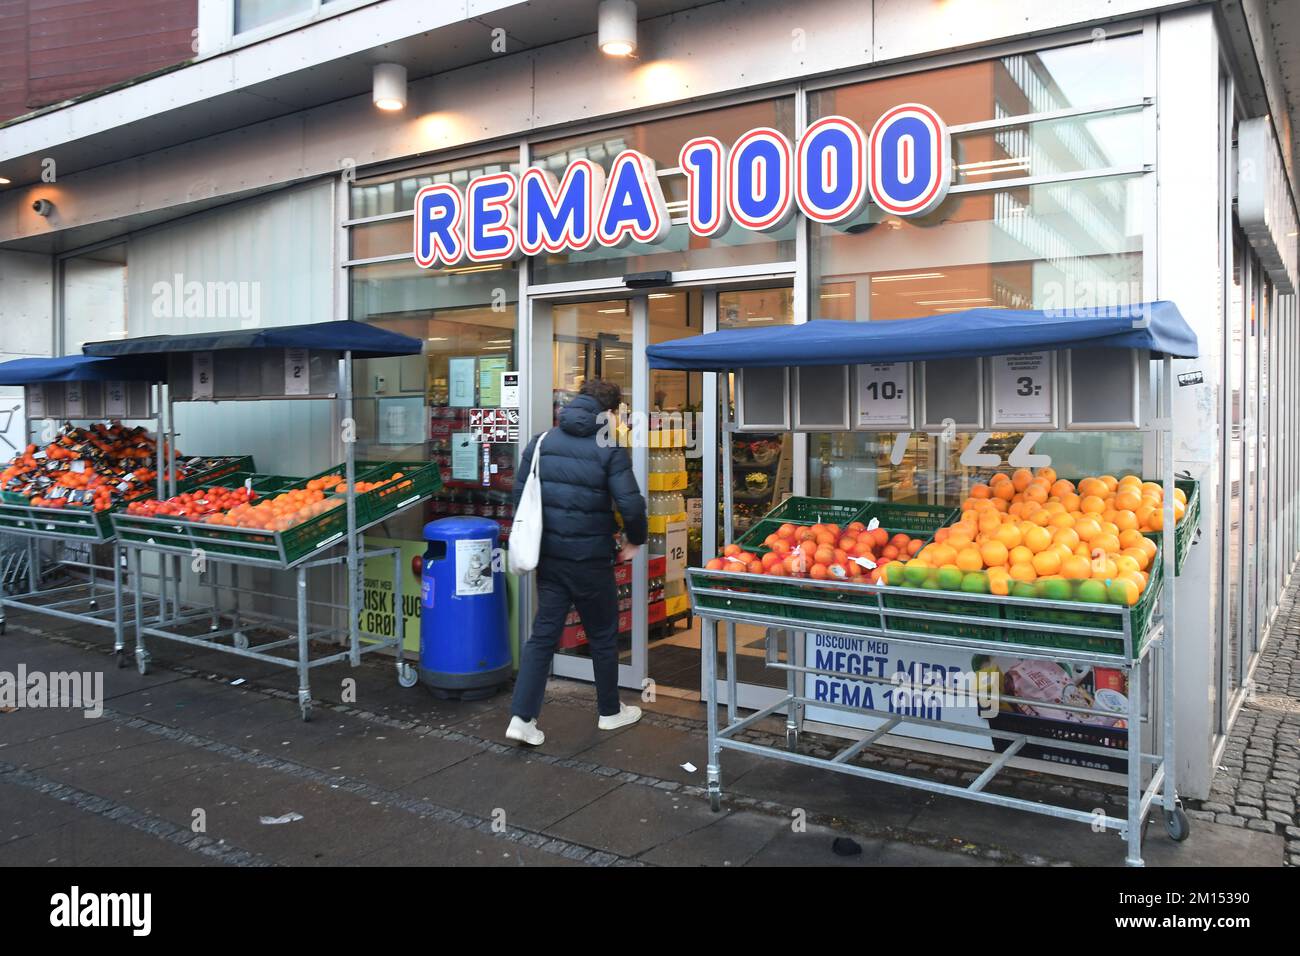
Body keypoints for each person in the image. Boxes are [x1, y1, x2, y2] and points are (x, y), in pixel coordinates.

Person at [506, 379, 648, 745]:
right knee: (602, 634)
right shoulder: (610, 450)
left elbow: (520, 497)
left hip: (550, 559)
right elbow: (631, 504)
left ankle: (522, 717)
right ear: (609, 412)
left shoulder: (540, 442)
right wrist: (635, 540)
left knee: (542, 636)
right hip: (591, 560)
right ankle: (609, 712)